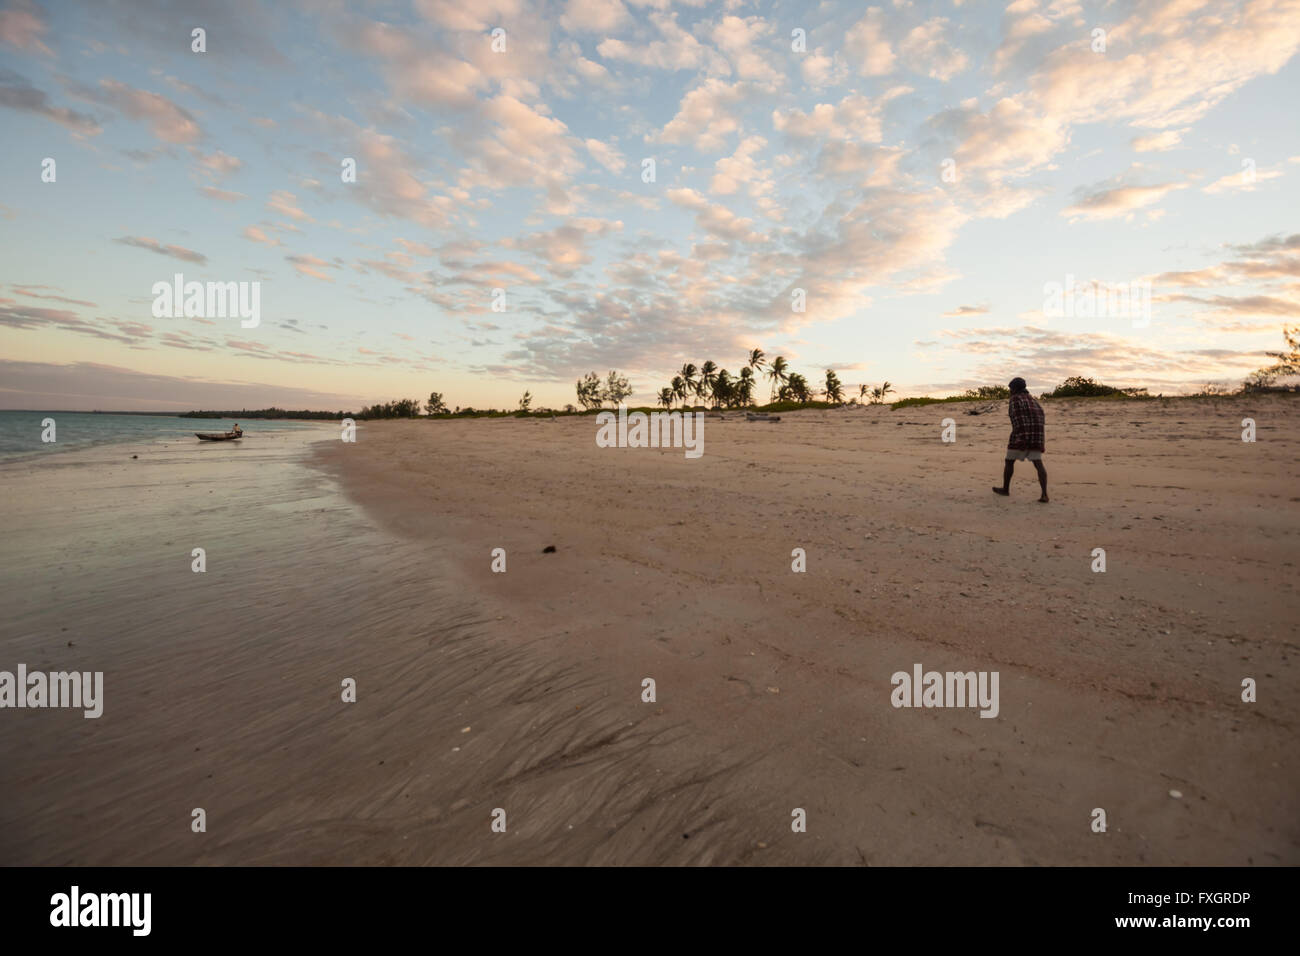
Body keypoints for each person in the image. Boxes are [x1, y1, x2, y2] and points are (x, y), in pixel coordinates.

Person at [993, 377, 1047, 502]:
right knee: (1038, 463)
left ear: (1014, 388)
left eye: (1010, 388)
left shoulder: (1015, 399)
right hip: (1037, 436)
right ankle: (1044, 494)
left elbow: (1017, 419)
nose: (1010, 391)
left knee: (1009, 461)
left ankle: (1005, 489)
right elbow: (1041, 418)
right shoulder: (1033, 400)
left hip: (1022, 435)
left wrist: (1021, 439)